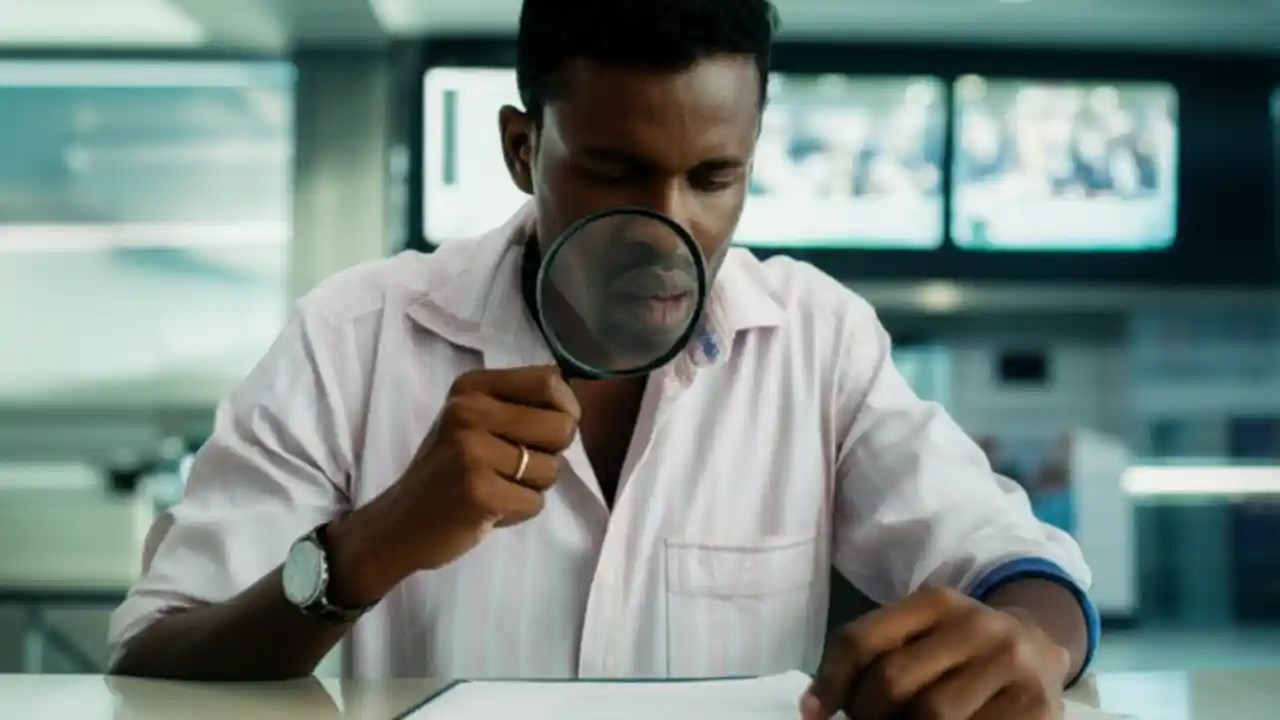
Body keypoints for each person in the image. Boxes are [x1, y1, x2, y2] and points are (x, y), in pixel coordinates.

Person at [108, 1, 1100, 718]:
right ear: (519, 148)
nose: (667, 228)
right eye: (616, 171)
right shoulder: (351, 337)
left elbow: (1012, 560)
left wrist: (1030, 642)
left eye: (713, 177)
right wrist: (371, 544)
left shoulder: (814, 338)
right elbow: (157, 655)